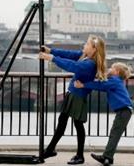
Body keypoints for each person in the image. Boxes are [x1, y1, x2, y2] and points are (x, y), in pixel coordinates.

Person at [38, 36, 108, 165]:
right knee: (64, 122)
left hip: (78, 96)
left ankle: (78, 155)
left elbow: (72, 66)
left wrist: (52, 58)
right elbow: (69, 54)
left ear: (94, 49)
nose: (84, 45)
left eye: (87, 44)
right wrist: (51, 51)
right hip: (73, 94)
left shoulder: (90, 64)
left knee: (77, 125)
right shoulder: (84, 56)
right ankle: (51, 149)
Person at [74, 63, 134, 165]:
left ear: (117, 72)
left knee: (114, 135)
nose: (110, 69)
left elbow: (101, 85)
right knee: (114, 134)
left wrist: (83, 85)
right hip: (124, 111)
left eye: (112, 68)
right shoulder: (116, 80)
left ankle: (106, 157)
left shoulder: (114, 81)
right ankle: (108, 158)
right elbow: (102, 80)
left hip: (124, 111)